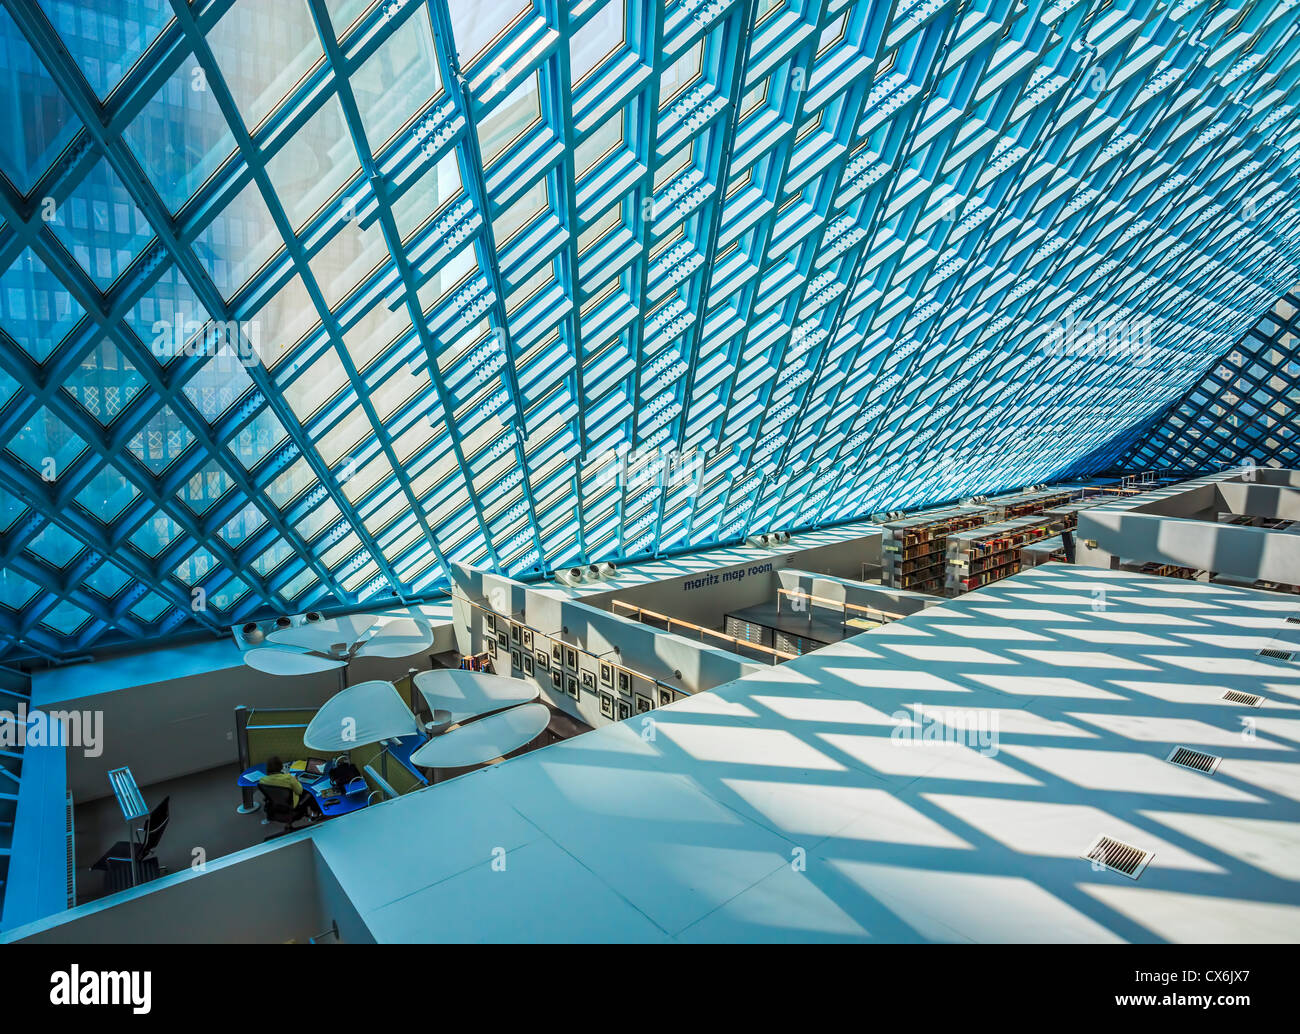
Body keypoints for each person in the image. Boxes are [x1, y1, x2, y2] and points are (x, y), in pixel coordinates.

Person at [258, 756, 321, 821]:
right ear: (281, 767)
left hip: (275, 803)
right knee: (310, 794)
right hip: (291, 805)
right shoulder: (289, 778)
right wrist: (296, 781)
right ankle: (315, 814)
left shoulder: (263, 780)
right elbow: (299, 791)